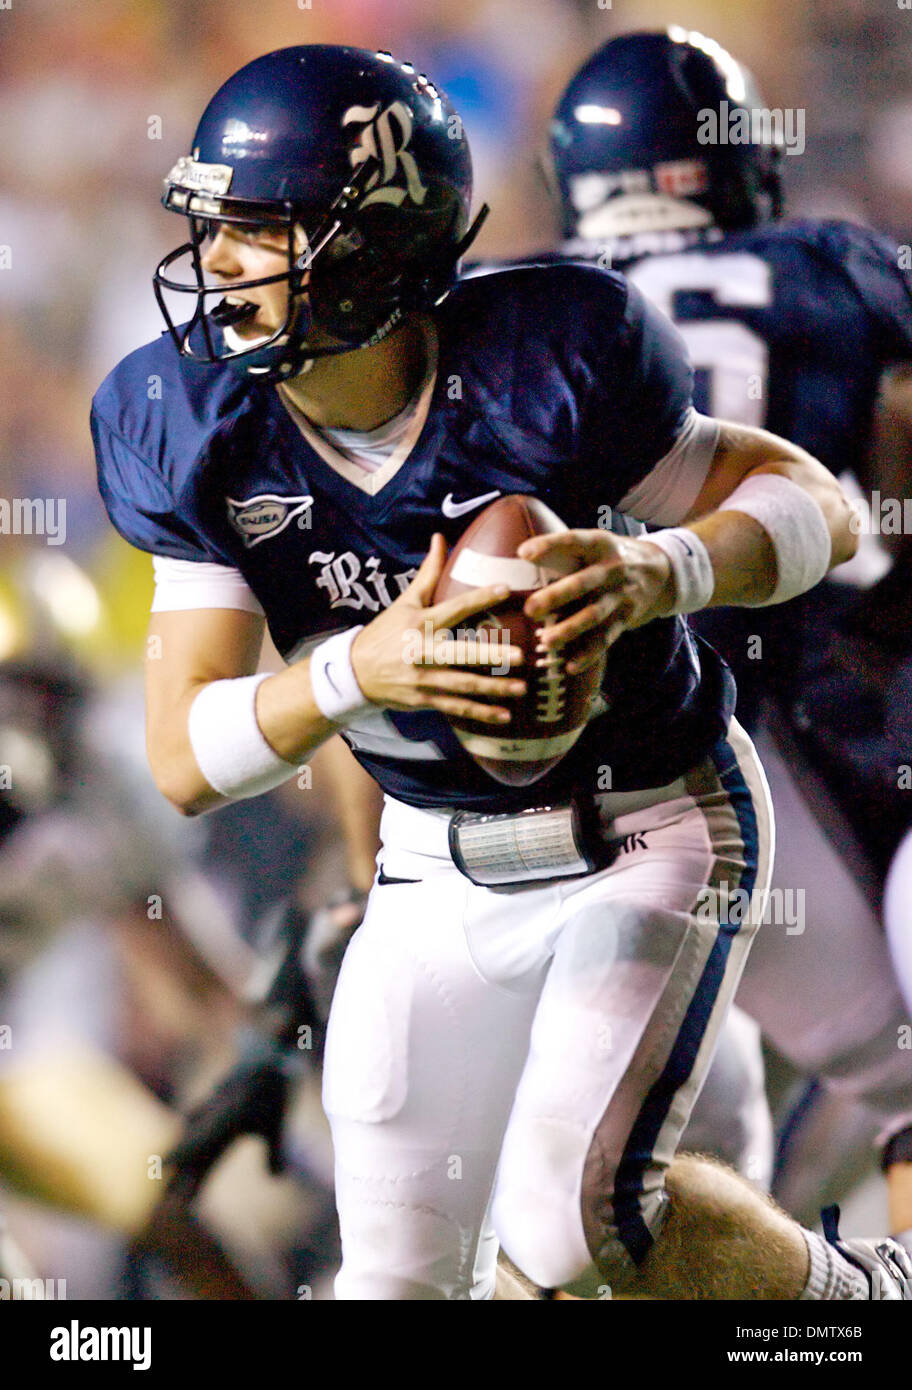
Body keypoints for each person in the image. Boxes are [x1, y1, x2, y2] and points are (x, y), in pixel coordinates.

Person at [91, 44, 905, 1300]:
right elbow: (182, 759)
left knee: (575, 1223)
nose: (223, 264)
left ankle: (857, 1306)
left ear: (374, 243)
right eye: (217, 226)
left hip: (649, 821)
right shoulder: (186, 422)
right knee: (395, 1280)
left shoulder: (549, 352)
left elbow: (817, 506)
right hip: (435, 855)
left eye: (262, 229)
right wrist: (367, 665)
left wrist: (665, 570)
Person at [537, 26, 912, 1253]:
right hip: (798, 726)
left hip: (564, 782)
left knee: (625, 1187)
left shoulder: (520, 309)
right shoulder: (830, 264)